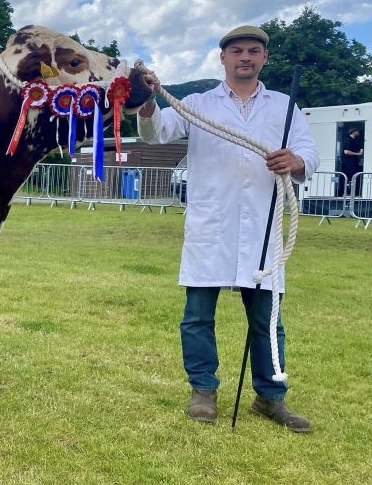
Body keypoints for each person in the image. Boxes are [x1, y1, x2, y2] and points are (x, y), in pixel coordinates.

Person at [134, 25, 319, 432]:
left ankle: (271, 398)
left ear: (264, 58)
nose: (245, 57)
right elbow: (157, 131)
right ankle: (203, 390)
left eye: (254, 50)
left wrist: (296, 162)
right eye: (237, 51)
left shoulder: (284, 107)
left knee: (268, 320)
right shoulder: (199, 104)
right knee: (198, 317)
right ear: (223, 58)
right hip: (211, 225)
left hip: (263, 227)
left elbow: (310, 153)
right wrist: (146, 102)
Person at [342, 127, 363, 196]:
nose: (359, 133)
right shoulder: (348, 140)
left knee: (354, 176)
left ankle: (353, 193)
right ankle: (346, 193)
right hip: (348, 162)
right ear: (354, 132)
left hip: (354, 162)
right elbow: (346, 151)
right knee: (349, 176)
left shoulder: (355, 140)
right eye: (358, 131)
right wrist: (358, 154)